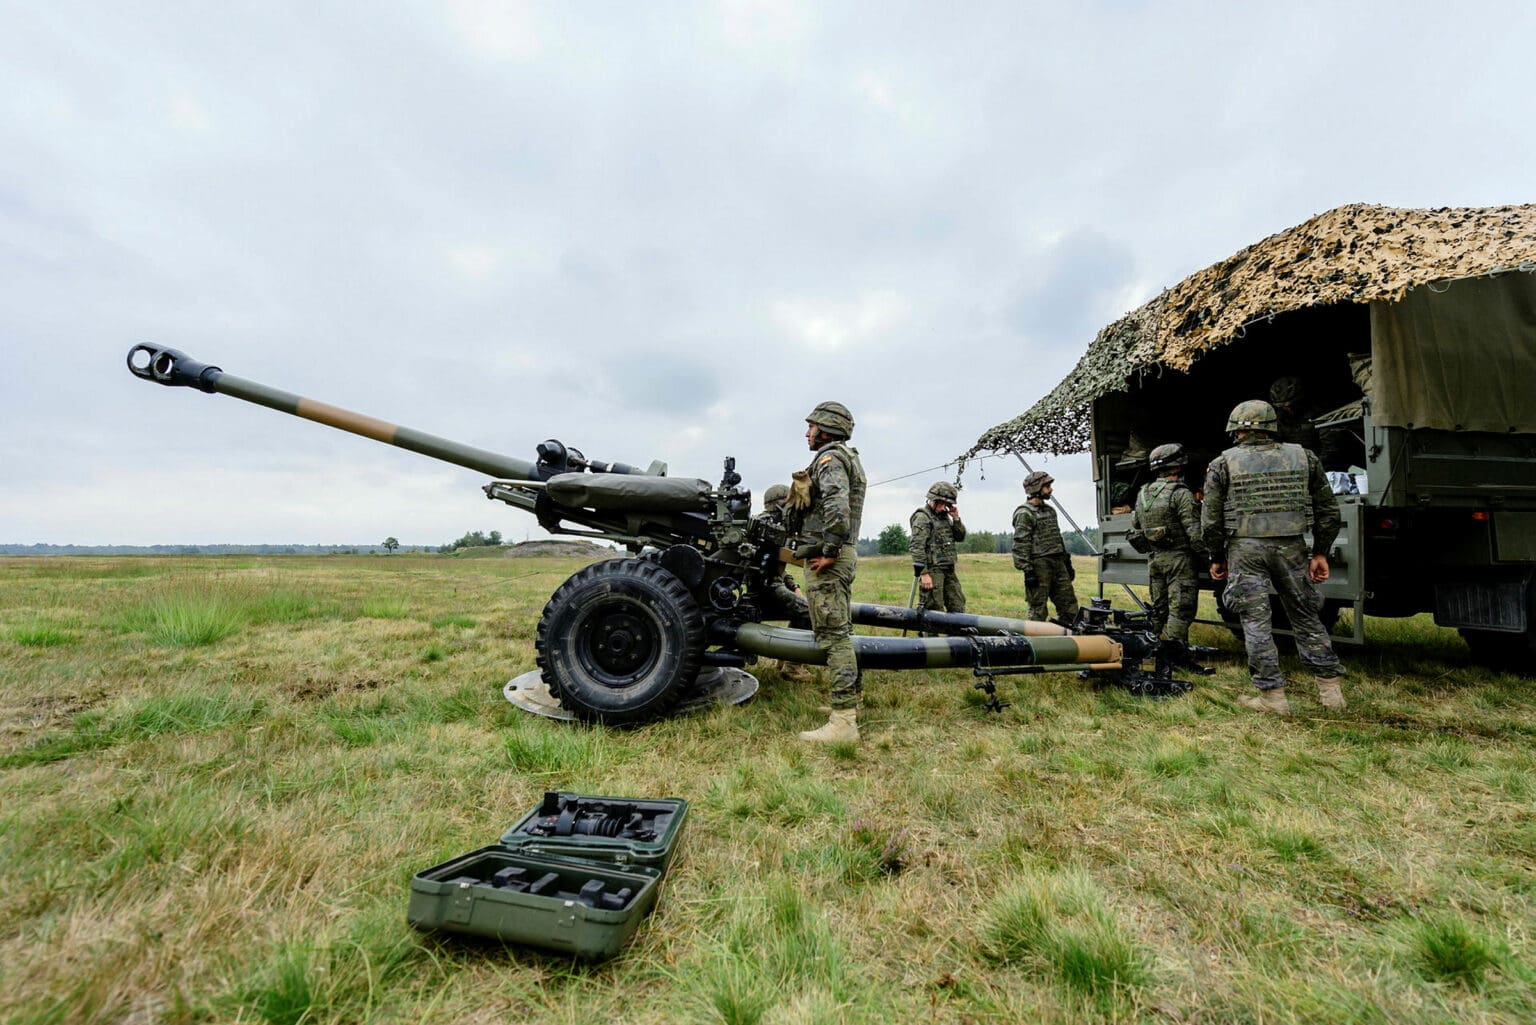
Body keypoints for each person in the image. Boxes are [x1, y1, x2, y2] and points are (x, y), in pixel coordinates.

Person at [1202, 400, 1346, 714]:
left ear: (1237, 429)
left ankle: (1272, 698)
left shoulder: (1222, 463)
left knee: (1255, 621)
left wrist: (1216, 556)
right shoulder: (1304, 457)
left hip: (1245, 548)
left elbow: (1210, 520)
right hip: (1292, 547)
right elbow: (1328, 512)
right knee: (1307, 617)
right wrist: (1320, 551)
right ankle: (1331, 694)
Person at [786, 401, 866, 742]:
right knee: (841, 631)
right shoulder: (846, 458)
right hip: (837, 555)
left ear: (827, 428)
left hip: (829, 558)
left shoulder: (830, 459)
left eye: (812, 426)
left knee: (833, 637)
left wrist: (829, 550)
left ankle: (844, 722)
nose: (807, 432)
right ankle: (853, 702)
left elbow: (836, 505)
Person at [1130, 443, 1207, 646]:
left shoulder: (1143, 494)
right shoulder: (1181, 494)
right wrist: (1210, 558)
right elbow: (1195, 534)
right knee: (1180, 610)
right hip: (1179, 561)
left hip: (1155, 560)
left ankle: (1147, 648)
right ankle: (1176, 654)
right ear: (1176, 467)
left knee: (1158, 608)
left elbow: (1136, 527)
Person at [755, 483, 813, 681]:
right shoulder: (765, 527)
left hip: (771, 583)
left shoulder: (774, 525)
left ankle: (785, 656)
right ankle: (793, 666)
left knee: (802, 609)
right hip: (765, 587)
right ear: (778, 505)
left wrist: (794, 586)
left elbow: (780, 567)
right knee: (808, 611)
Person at [1011, 471, 1080, 625]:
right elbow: (1021, 544)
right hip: (1038, 566)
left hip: (1057, 563)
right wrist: (1028, 571)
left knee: (1070, 606)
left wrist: (1066, 563)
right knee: (1038, 609)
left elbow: (1057, 537)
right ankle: (1038, 644)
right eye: (1047, 486)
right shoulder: (1024, 513)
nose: (1051, 490)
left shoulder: (1050, 511)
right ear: (1036, 488)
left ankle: (1068, 641)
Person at [909, 481, 967, 614]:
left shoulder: (945, 517)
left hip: (949, 570)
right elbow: (916, 547)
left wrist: (956, 519)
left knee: (958, 607)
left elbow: (960, 537)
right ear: (933, 500)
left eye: (946, 505)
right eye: (942, 504)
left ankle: (956, 635)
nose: (943, 508)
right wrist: (924, 574)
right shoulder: (923, 517)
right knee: (934, 611)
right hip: (932, 571)